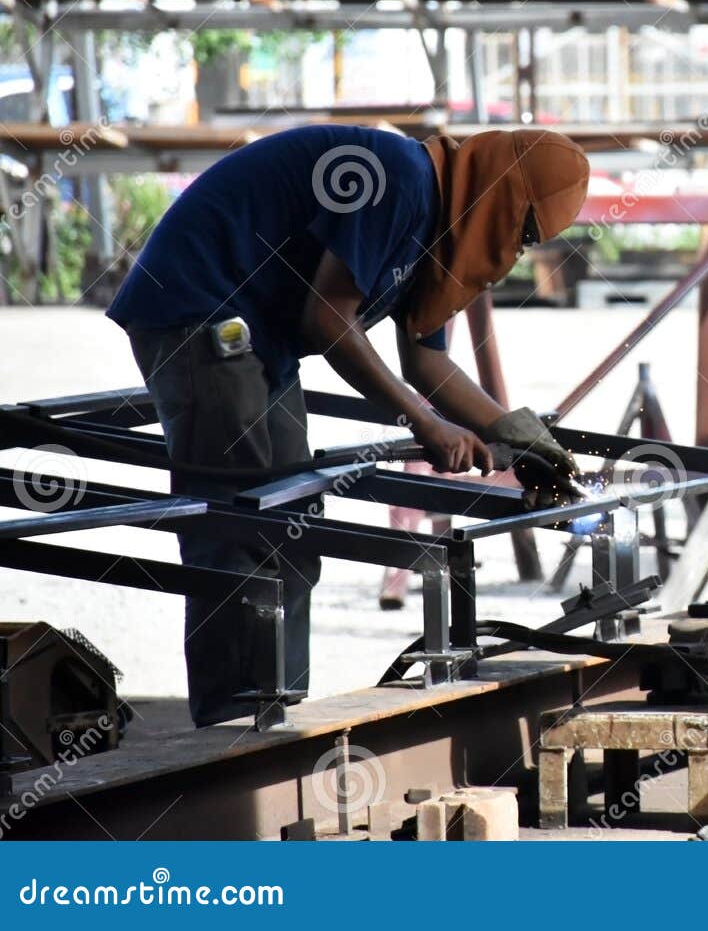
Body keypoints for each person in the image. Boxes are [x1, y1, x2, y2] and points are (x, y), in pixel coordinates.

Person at [106, 124, 589, 725]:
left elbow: (425, 359)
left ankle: (274, 716)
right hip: (198, 306)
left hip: (260, 338)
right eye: (520, 231)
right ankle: (231, 732)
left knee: (293, 524)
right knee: (242, 526)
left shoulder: (443, 229)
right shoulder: (402, 180)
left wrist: (517, 433)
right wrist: (426, 425)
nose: (513, 251)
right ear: (500, 190)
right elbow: (328, 318)